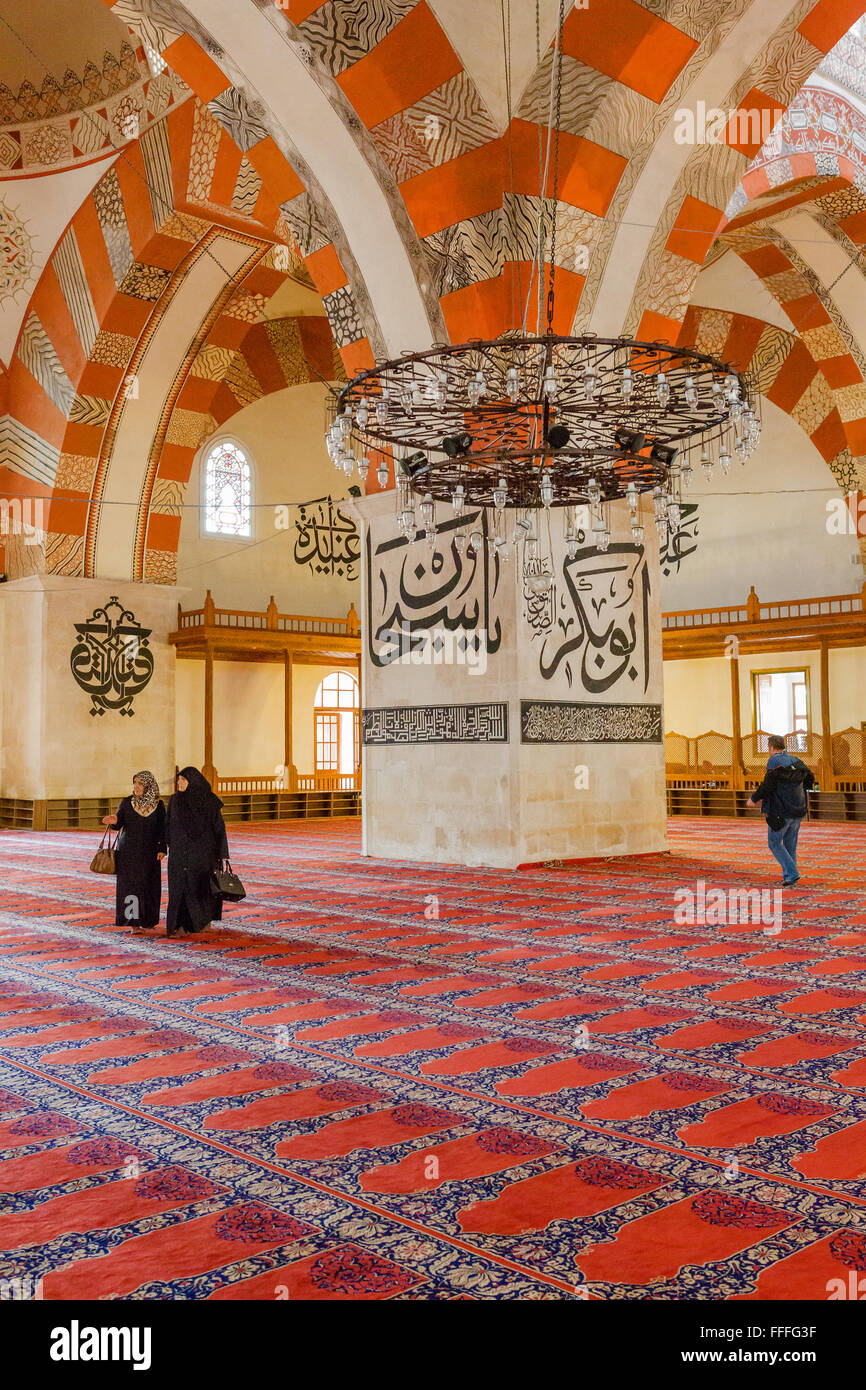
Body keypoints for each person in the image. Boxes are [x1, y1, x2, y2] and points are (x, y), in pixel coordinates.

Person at [165, 766, 229, 937]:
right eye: (178, 780)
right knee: (179, 889)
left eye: (183, 780)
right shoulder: (175, 801)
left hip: (203, 856)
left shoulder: (209, 802)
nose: (179, 783)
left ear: (193, 781)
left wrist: (223, 853)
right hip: (179, 855)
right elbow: (167, 825)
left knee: (200, 890)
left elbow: (219, 829)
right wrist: (163, 847)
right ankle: (178, 926)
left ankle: (201, 922)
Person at [102, 772, 166, 933]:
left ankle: (148, 920)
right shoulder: (126, 802)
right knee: (131, 887)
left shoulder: (158, 806)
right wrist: (114, 821)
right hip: (128, 852)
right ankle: (133, 923)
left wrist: (162, 848)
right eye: (135, 783)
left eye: (140, 783)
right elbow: (119, 822)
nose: (136, 786)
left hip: (150, 853)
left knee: (149, 886)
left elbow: (163, 829)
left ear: (149, 785)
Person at [747, 736, 816, 887]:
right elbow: (810, 778)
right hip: (798, 808)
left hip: (781, 810)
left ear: (771, 748)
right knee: (790, 844)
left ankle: (792, 873)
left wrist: (754, 798)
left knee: (774, 842)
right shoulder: (796, 760)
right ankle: (790, 878)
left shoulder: (773, 761)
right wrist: (796, 791)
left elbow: (768, 784)